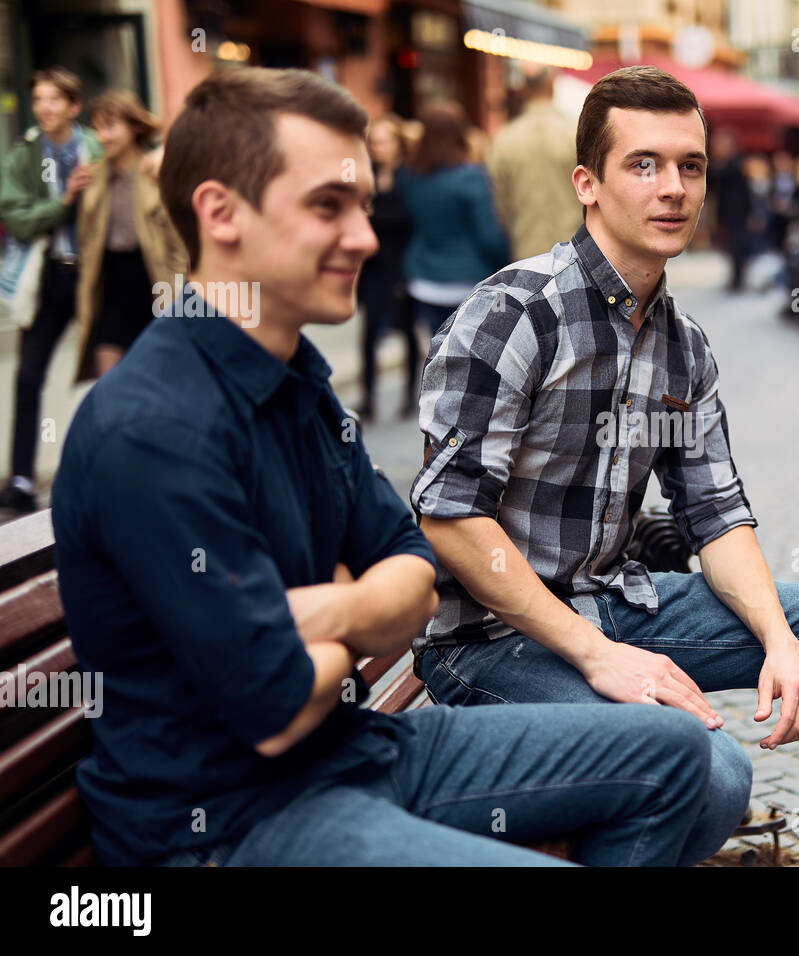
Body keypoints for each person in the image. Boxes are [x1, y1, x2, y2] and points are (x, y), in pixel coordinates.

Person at [51, 66, 714, 868]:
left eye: (364, 203)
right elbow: (279, 705)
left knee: (679, 751)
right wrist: (360, 609)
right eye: (328, 206)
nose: (367, 236)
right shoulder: (152, 427)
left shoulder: (296, 378)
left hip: (359, 750)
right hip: (231, 820)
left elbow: (413, 568)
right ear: (220, 214)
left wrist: (327, 609)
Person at [412, 65, 799, 867]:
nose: (673, 187)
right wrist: (594, 653)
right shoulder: (514, 313)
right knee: (711, 772)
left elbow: (716, 516)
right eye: (643, 164)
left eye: (691, 166)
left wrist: (781, 640)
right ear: (588, 183)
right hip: (492, 641)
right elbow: (449, 518)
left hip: (619, 602)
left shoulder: (682, 344)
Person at [0, 67, 102, 514]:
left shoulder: (98, 148)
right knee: (27, 377)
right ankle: (21, 478)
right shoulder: (23, 156)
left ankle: (110, 471)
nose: (44, 107)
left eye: (54, 100)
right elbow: (17, 217)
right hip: (51, 276)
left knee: (109, 372)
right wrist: (61, 204)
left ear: (73, 106)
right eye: (39, 99)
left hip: (98, 275)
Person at [73, 91, 188, 382]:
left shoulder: (155, 172)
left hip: (151, 284)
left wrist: (175, 296)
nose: (102, 136)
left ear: (134, 127)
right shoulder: (93, 177)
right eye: (97, 128)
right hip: (110, 290)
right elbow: (86, 242)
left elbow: (178, 246)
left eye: (110, 126)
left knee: (158, 386)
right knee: (108, 388)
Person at [399, 102, 510, 376]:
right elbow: (488, 236)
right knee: (471, 360)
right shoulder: (471, 178)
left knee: (439, 350)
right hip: (466, 281)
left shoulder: (410, 178)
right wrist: (506, 264)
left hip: (424, 279)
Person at [486, 65, 584, 260]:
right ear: (552, 86)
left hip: (526, 254)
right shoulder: (576, 132)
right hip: (576, 249)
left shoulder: (504, 139)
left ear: (524, 91)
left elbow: (499, 205)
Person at [356, 113, 416, 421]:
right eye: (374, 142)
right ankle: (368, 396)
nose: (379, 147)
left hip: (403, 266)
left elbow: (415, 221)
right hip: (373, 267)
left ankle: (410, 397)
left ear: (398, 144)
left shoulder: (410, 178)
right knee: (368, 334)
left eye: (385, 141)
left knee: (406, 331)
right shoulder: (364, 178)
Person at [707, 129, 751, 292]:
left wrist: (751, 213)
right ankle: (735, 278)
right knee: (730, 247)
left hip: (738, 212)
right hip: (726, 211)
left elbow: (745, 190)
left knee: (737, 246)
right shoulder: (725, 163)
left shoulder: (735, 162)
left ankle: (738, 280)